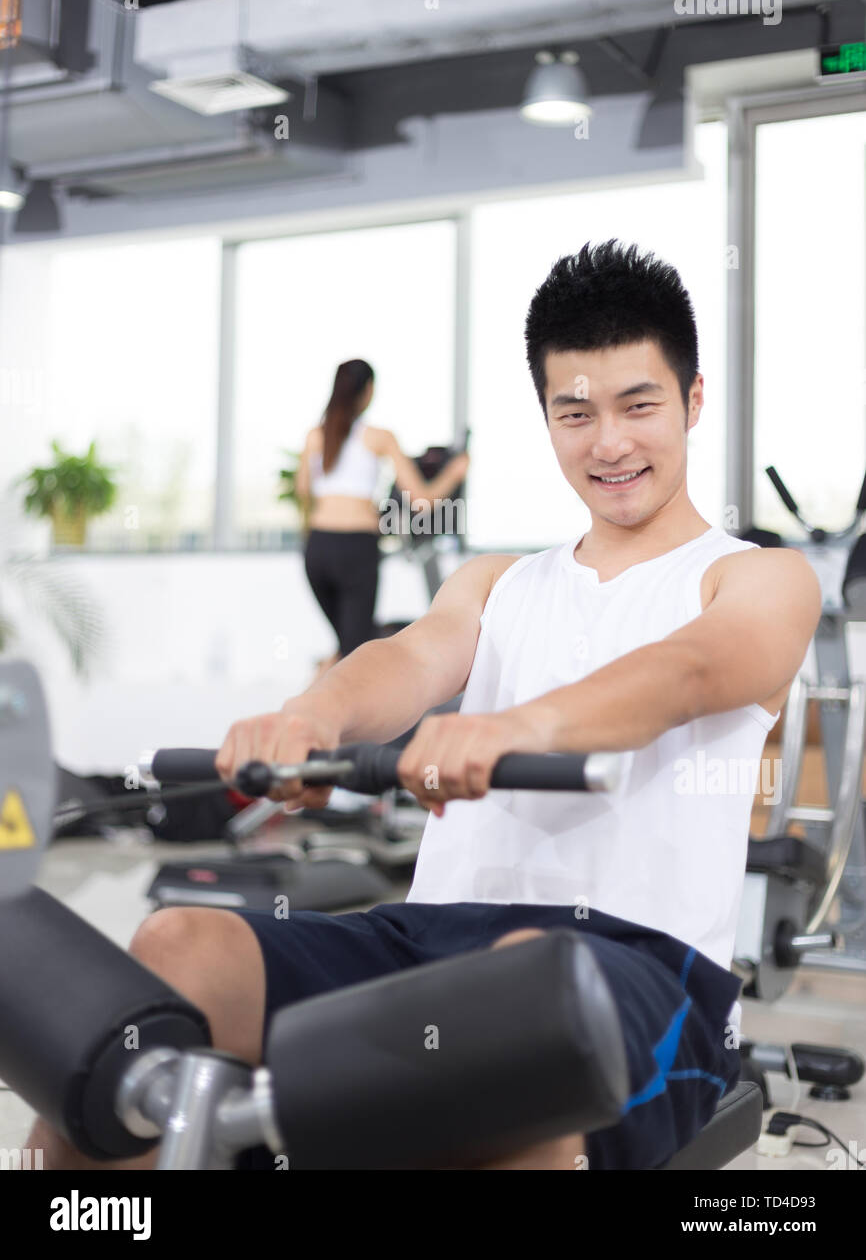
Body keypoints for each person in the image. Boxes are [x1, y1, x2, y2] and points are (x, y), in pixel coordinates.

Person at [26, 240, 821, 1171]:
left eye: (638, 406)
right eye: (575, 412)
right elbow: (403, 660)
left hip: (645, 970)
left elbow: (686, 671)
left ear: (690, 401)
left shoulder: (759, 579)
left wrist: (515, 729)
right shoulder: (495, 583)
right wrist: (312, 718)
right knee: (169, 961)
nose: (607, 442)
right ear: (548, 419)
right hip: (428, 938)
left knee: (501, 1014)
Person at [295, 358, 470, 680]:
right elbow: (422, 501)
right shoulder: (379, 437)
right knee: (356, 655)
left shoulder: (314, 437)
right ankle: (334, 722)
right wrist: (455, 471)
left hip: (316, 550)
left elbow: (303, 488)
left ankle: (313, 711)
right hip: (355, 550)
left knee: (346, 649)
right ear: (368, 391)